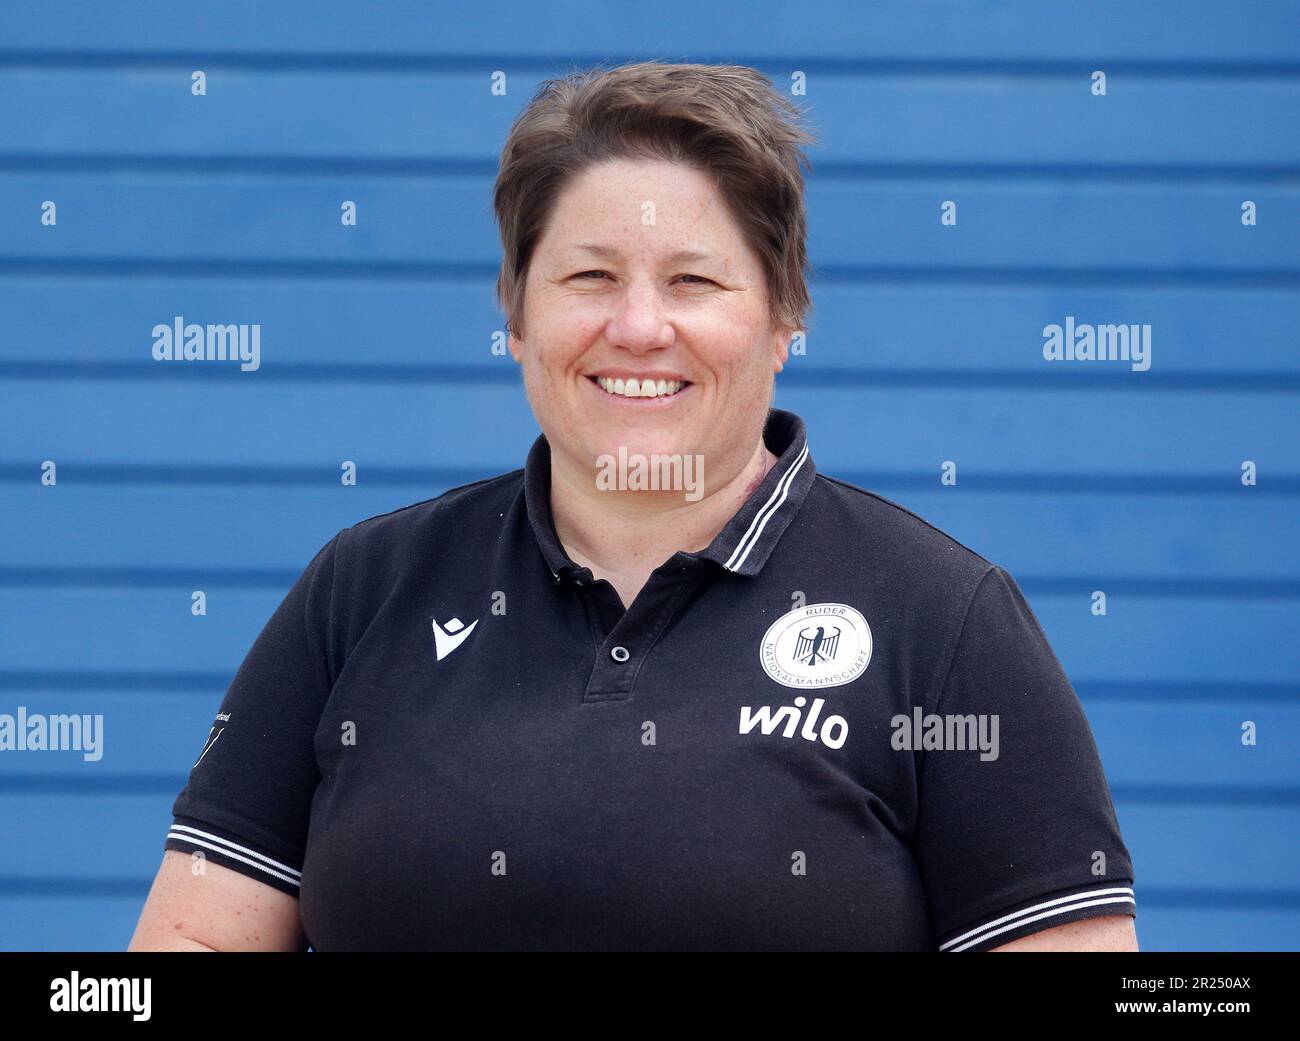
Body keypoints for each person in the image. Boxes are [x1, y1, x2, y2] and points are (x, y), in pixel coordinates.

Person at [129, 60, 1137, 952]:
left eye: (693, 281)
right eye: (588, 277)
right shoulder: (363, 590)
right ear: (518, 319)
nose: (638, 327)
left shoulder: (943, 620)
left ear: (782, 320)